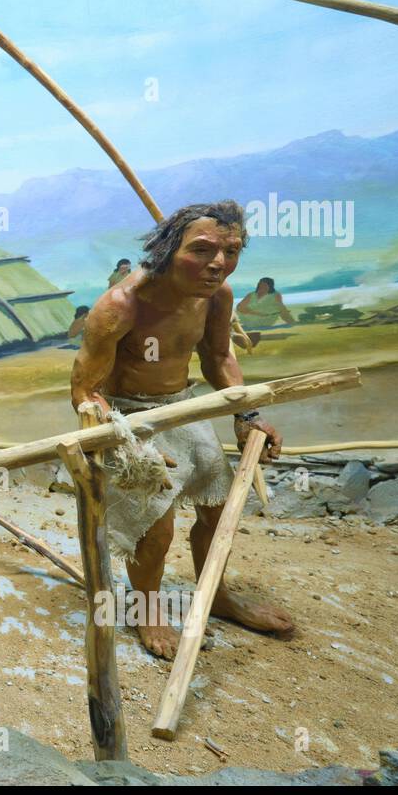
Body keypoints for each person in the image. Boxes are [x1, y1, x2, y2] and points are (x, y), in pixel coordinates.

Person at [70, 200, 294, 659]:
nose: (218, 264)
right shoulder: (121, 305)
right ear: (169, 250)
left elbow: (217, 357)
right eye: (203, 250)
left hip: (181, 407)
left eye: (231, 251)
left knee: (218, 507)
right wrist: (126, 444)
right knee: (157, 521)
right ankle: (148, 609)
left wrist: (246, 413)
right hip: (126, 417)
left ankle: (218, 594)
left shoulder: (217, 295)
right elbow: (84, 390)